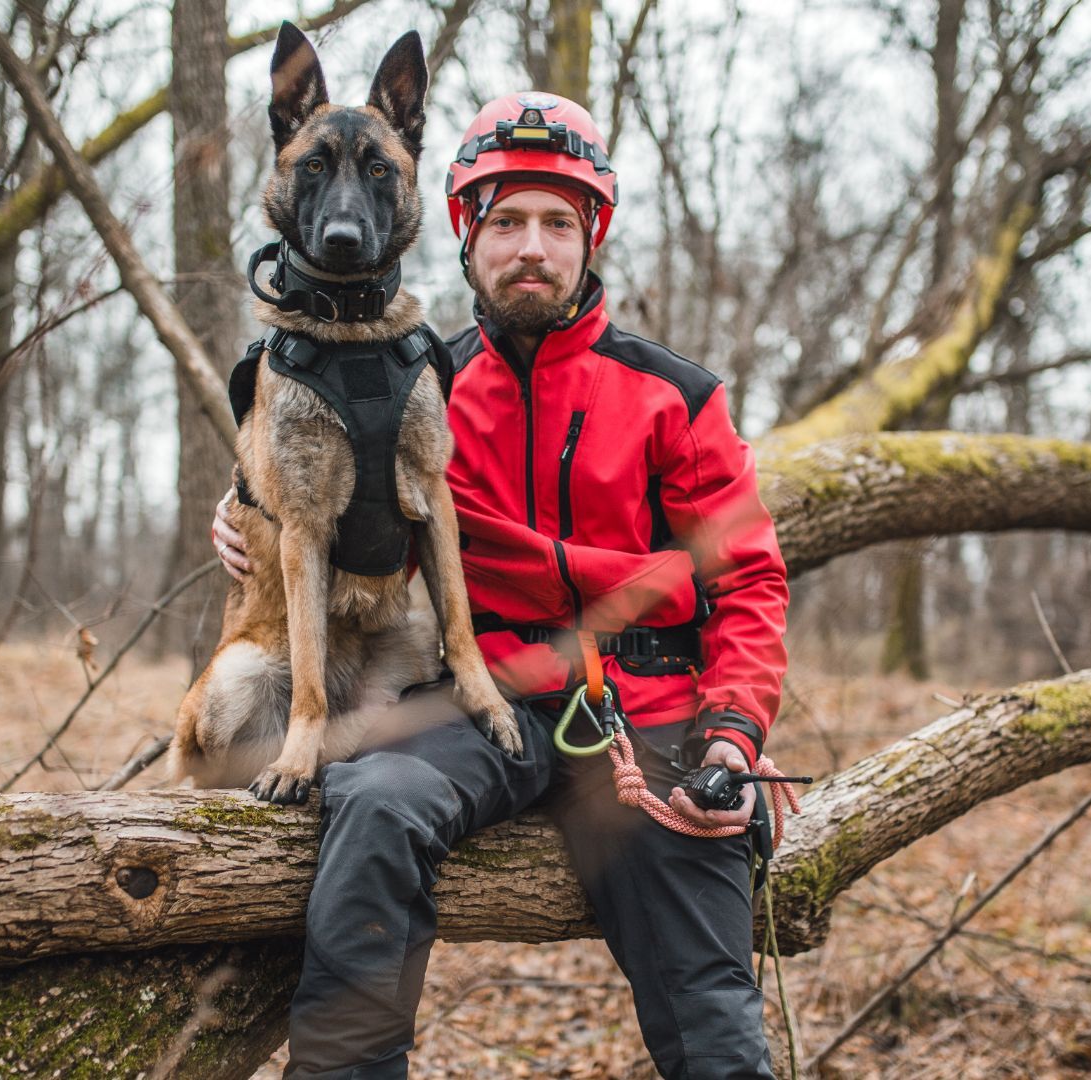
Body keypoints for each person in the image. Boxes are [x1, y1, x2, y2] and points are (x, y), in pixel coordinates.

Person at [211, 91, 790, 1079]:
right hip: (481, 704)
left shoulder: (675, 396)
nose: (533, 247)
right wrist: (250, 512)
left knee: (714, 1021)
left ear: (590, 233)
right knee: (376, 802)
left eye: (558, 223)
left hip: (644, 716)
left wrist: (733, 737)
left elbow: (748, 584)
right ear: (467, 233)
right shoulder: (416, 381)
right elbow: (355, 537)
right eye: (508, 220)